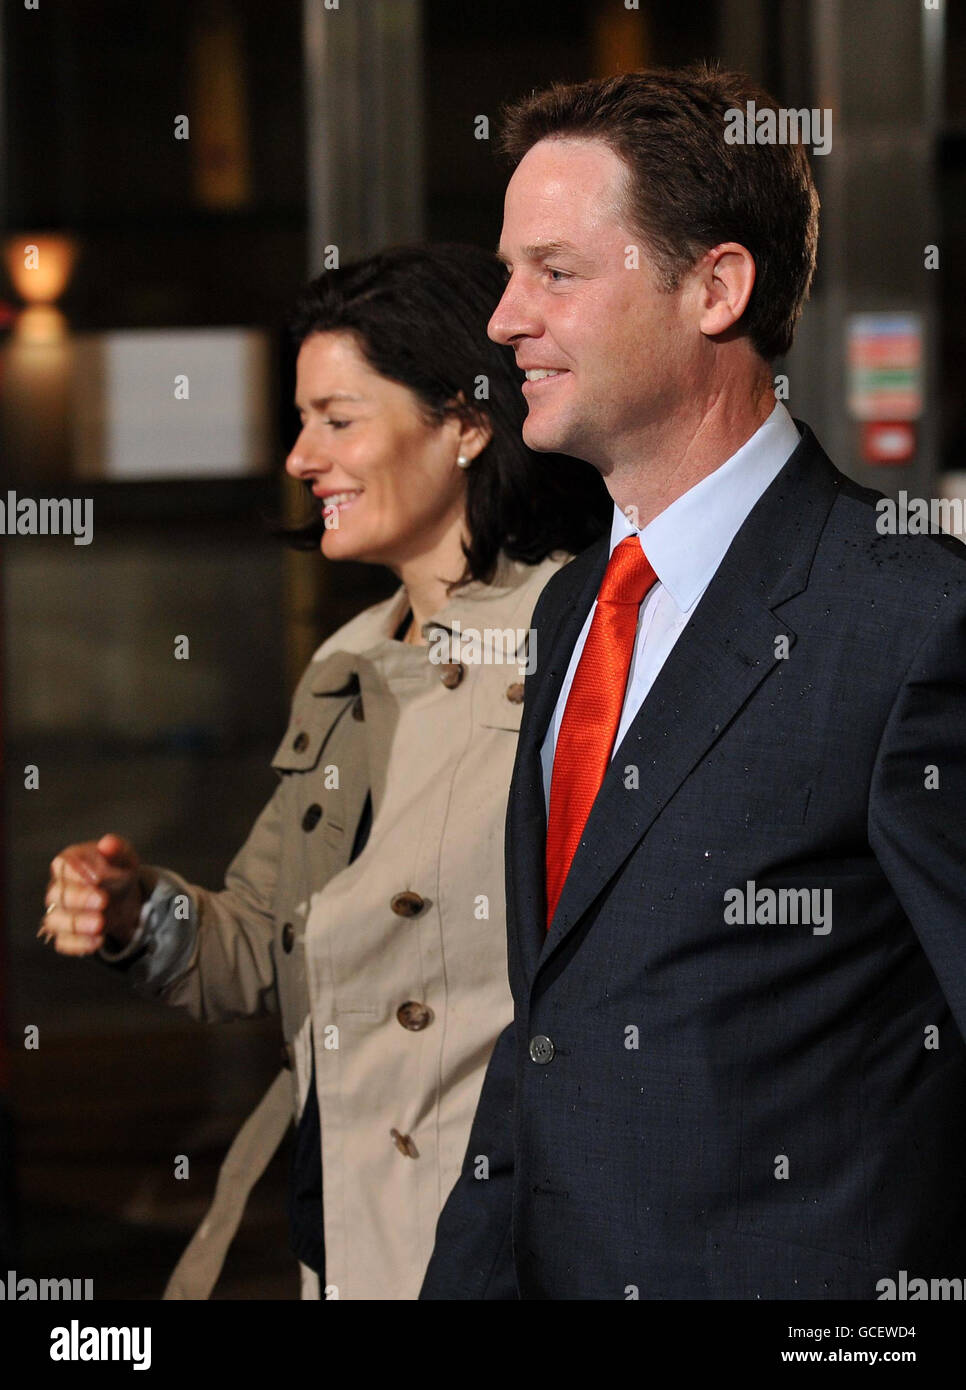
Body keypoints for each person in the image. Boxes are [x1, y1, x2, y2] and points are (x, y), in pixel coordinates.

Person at [420, 64, 966, 1301]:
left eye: (555, 273)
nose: (505, 319)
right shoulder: (574, 609)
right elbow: (548, 1032)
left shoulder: (913, 619)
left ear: (716, 287)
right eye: (510, 274)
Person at [40, 242, 610, 1300]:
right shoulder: (347, 662)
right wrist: (136, 913)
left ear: (467, 425)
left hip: (509, 1251)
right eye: (302, 421)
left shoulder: (587, 637)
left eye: (338, 420)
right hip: (354, 1246)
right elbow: (256, 940)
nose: (303, 458)